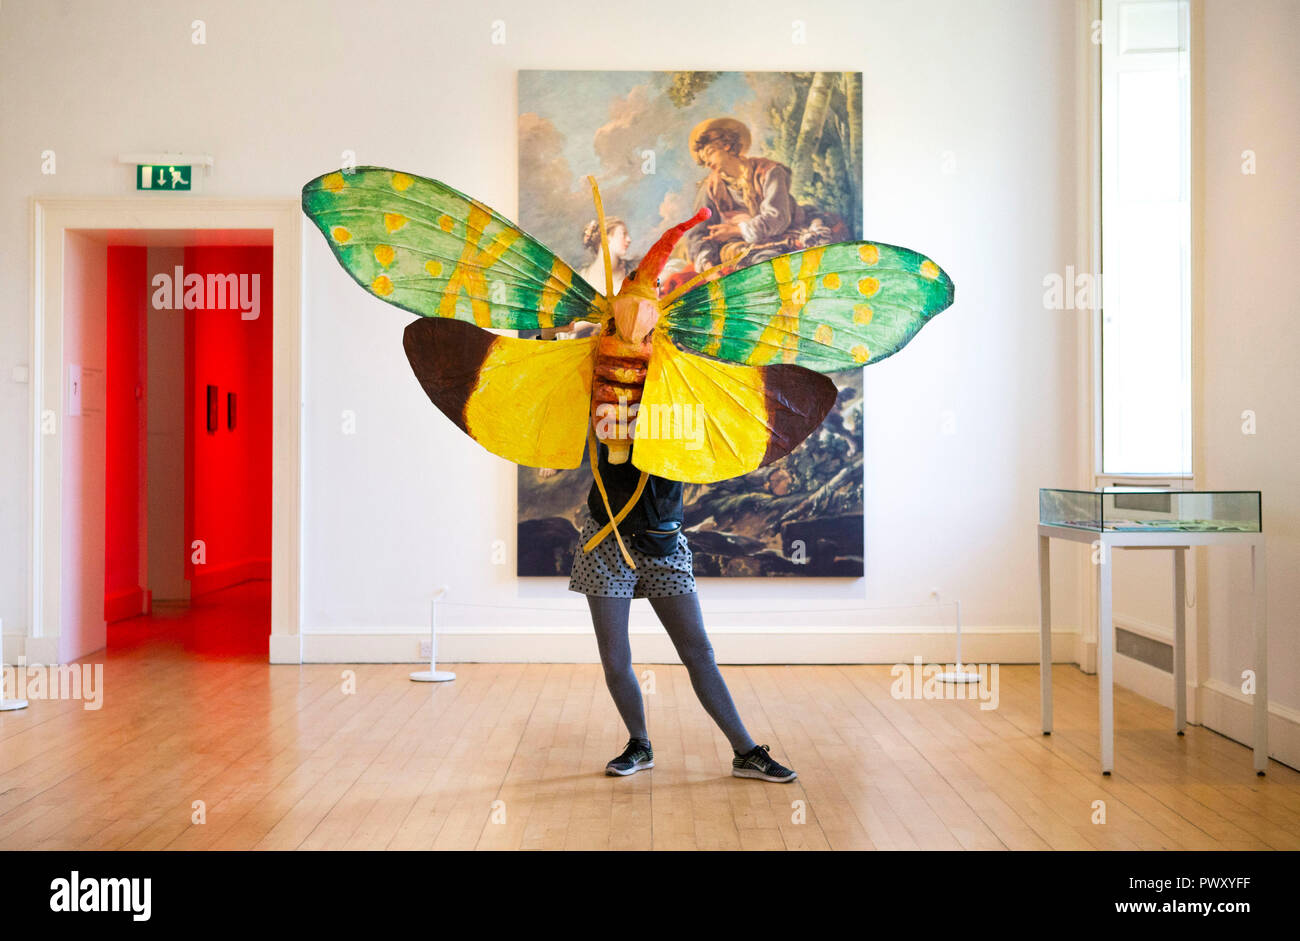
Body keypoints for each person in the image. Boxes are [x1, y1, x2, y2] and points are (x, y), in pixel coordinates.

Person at [567, 438, 798, 783]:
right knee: (615, 658)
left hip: (665, 541)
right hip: (606, 541)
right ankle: (639, 744)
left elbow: (696, 460)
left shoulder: (680, 413)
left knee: (698, 652)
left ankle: (746, 752)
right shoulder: (603, 408)